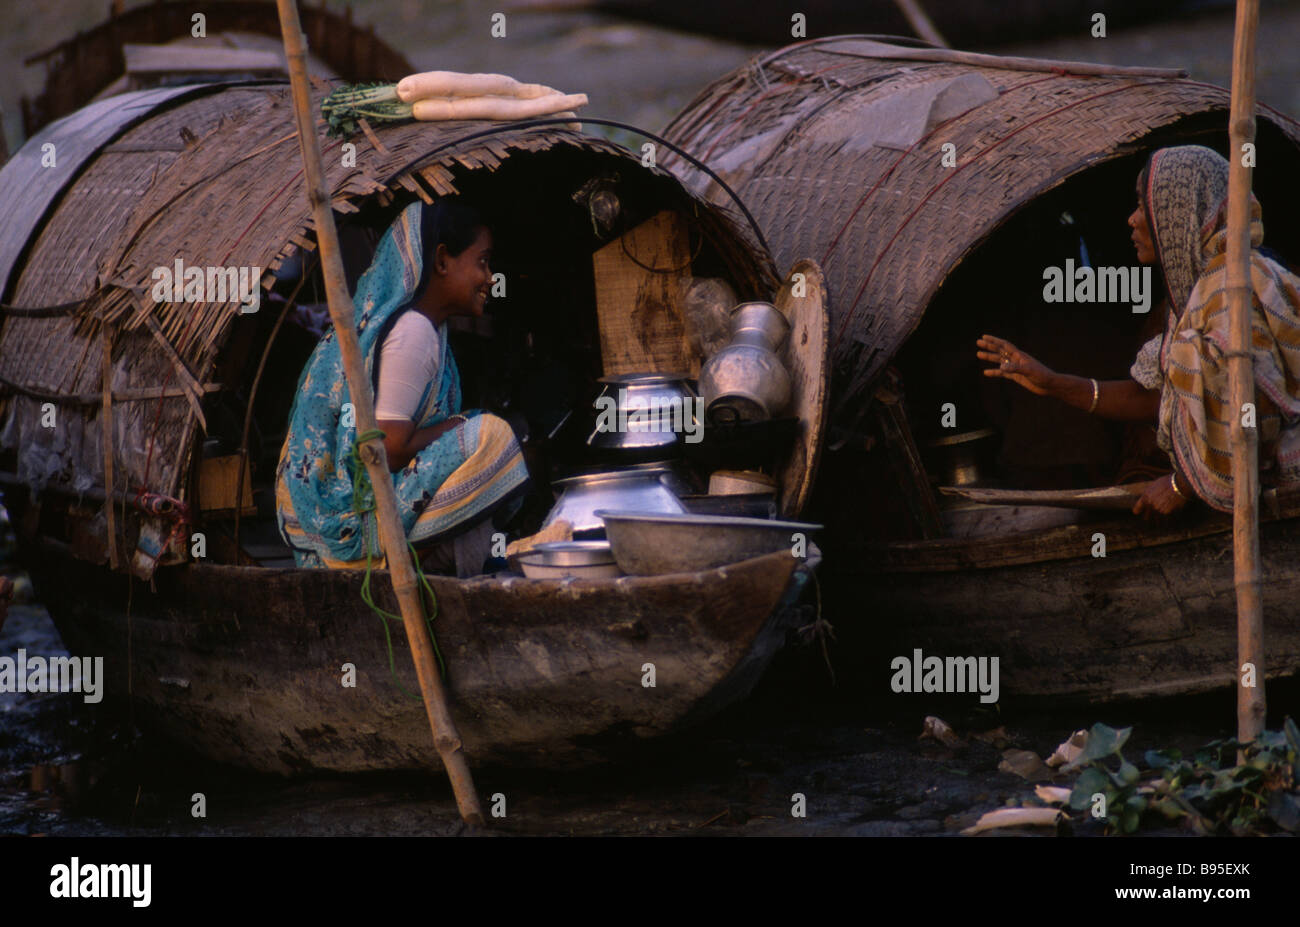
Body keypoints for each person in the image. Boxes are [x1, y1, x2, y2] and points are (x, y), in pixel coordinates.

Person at [977, 145, 1300, 519]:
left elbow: (1253, 413)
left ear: (1177, 214)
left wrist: (1184, 485)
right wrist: (1052, 383)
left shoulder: (1234, 292)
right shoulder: (1202, 293)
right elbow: (1159, 397)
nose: (1131, 221)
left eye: (1142, 208)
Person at [276, 198, 529, 574]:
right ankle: (391, 565)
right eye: (482, 261)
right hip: (344, 517)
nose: (490, 277)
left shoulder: (423, 328)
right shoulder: (414, 331)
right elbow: (389, 448)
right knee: (492, 435)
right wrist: (458, 426)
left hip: (321, 512)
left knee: (483, 433)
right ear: (442, 260)